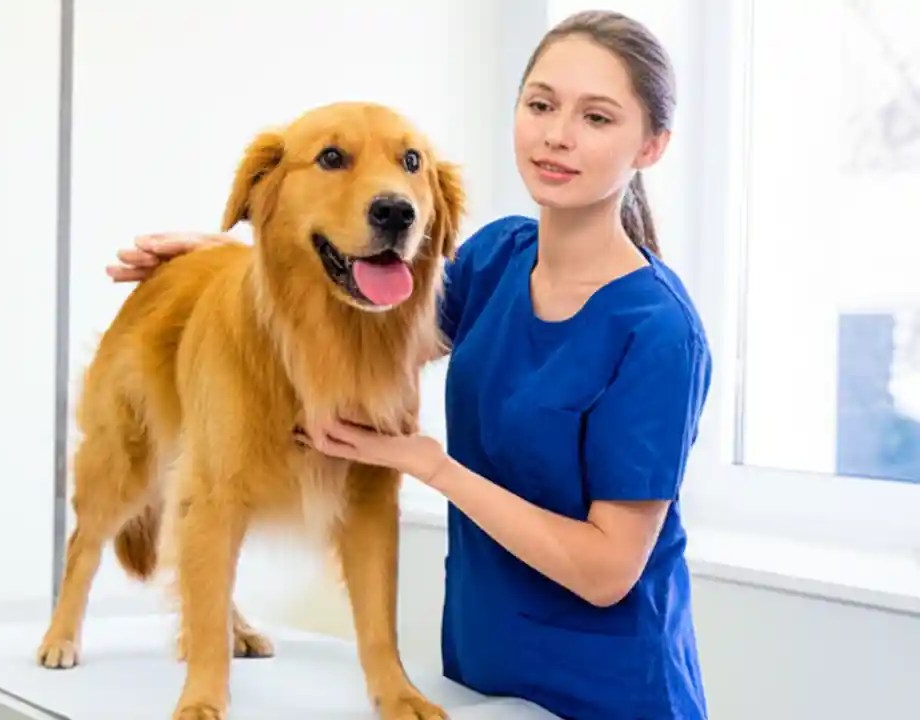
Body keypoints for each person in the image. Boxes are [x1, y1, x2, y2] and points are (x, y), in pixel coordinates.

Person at [106, 10, 711, 720]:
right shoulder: (497, 259)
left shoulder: (658, 331)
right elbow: (354, 326)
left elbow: (608, 572)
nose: (557, 134)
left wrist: (433, 466)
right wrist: (232, 257)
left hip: (612, 697)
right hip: (479, 677)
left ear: (652, 145)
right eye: (541, 104)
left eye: (597, 117)